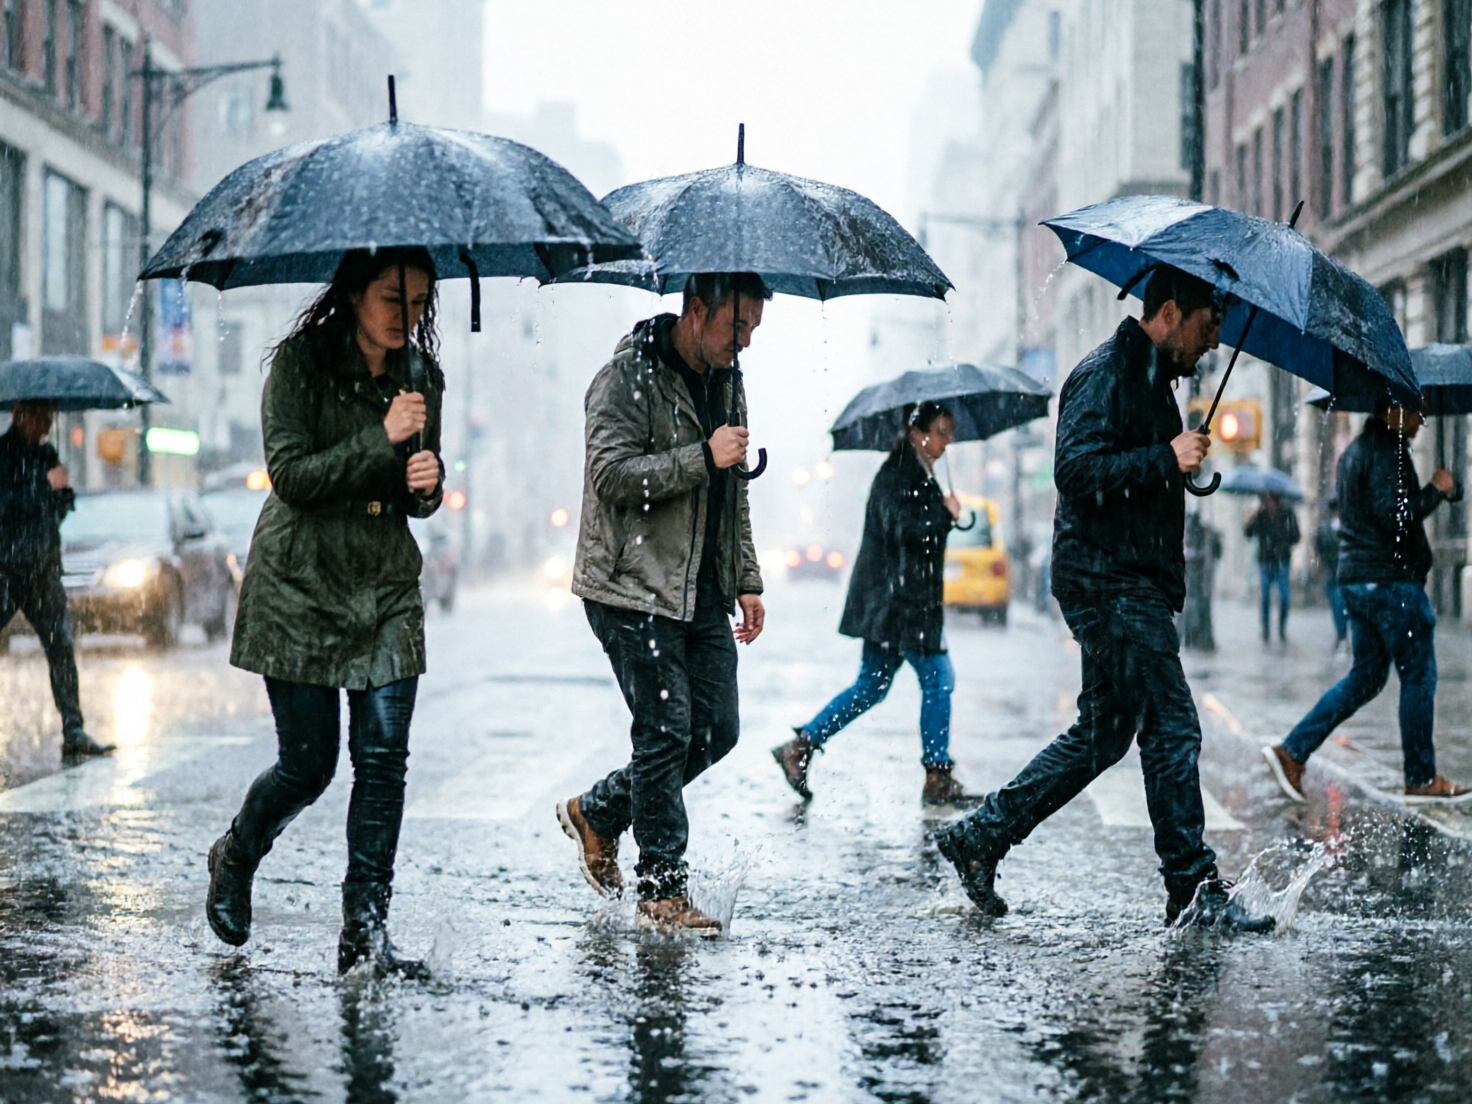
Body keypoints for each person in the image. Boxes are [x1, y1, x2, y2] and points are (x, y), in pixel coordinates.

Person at [934, 265, 1274, 932]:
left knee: (1103, 735)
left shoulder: (1152, 382)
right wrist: (1163, 459)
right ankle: (1193, 888)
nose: (1212, 344)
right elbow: (1076, 470)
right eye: (1208, 327)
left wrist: (1176, 466)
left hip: (1126, 578)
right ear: (1170, 313)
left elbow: (1136, 470)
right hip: (1108, 580)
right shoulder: (1107, 372)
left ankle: (982, 837)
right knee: (1172, 724)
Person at [204, 248, 446, 977]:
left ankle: (364, 933)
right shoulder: (300, 364)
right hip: (301, 578)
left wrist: (428, 484)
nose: (407, 317)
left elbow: (417, 490)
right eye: (391, 300)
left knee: (382, 763)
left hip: (384, 582)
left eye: (418, 303)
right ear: (352, 293)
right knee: (308, 765)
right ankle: (236, 853)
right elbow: (292, 476)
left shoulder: (420, 375)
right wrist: (385, 438)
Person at [557, 272, 768, 936]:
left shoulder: (729, 384)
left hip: (698, 590)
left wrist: (747, 578)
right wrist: (700, 457)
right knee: (666, 729)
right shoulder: (625, 378)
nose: (747, 343)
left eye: (755, 330)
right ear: (697, 310)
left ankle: (600, 810)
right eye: (738, 327)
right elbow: (611, 477)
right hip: (630, 585)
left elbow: (734, 494)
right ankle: (661, 892)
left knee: (718, 730)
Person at [770, 401, 980, 806]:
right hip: (900, 605)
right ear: (918, 432)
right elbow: (905, 531)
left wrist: (942, 513)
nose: (947, 439)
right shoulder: (900, 471)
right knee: (938, 678)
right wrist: (945, 516)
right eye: (941, 430)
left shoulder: (915, 469)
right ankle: (936, 775)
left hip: (897, 604)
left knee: (872, 686)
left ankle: (800, 746)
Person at [1263, 401, 1472, 804]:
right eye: (1414, 412)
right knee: (1419, 675)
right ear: (1392, 410)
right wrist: (1435, 490)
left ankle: (1292, 751)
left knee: (1366, 677)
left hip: (1359, 581)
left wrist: (1441, 490)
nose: (1420, 421)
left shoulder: (1358, 450)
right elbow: (1396, 519)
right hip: (1390, 583)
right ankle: (1420, 777)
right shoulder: (1386, 452)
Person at [0, 401, 112, 759]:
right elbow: (6, 505)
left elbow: (54, 510)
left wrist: (61, 493)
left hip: (43, 571)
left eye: (49, 418)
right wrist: (41, 486)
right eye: (42, 417)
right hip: (7, 569)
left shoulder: (47, 453)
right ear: (22, 415)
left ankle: (74, 729)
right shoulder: (4, 454)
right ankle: (74, 729)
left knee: (61, 647)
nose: (47, 425)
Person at [1244, 492, 1300, 642]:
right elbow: (1249, 534)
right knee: (1265, 598)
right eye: (1265, 499)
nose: (1268, 503)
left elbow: (1296, 536)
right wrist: (1250, 520)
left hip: (1282, 561)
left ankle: (1282, 628)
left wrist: (1284, 538)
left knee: (1284, 598)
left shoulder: (1287, 513)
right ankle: (1266, 630)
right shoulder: (1260, 515)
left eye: (1270, 499)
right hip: (1264, 561)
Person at [1315, 496, 1348, 651]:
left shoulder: (1350, 528)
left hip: (1345, 574)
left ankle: (1342, 636)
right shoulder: (1324, 529)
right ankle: (1341, 634)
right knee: (1336, 606)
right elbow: (1318, 552)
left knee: (1340, 604)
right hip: (1331, 573)